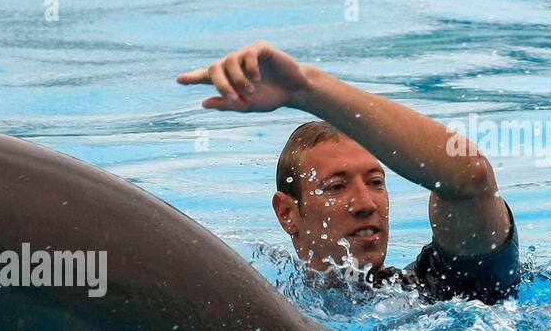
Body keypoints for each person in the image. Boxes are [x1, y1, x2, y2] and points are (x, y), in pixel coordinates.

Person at [177, 41, 521, 303]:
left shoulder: (435, 293)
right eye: (336, 187)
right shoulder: (258, 306)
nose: (365, 203)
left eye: (376, 182)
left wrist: (305, 90)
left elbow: (470, 179)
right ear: (287, 213)